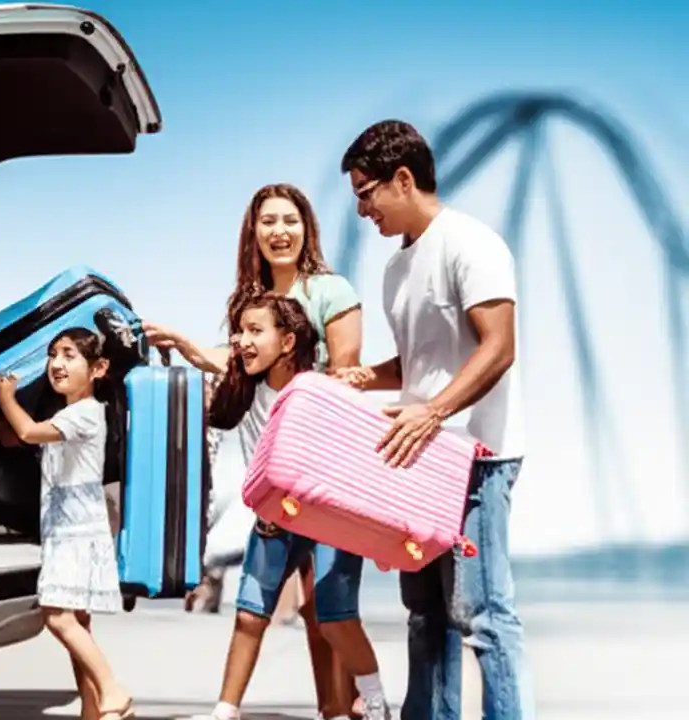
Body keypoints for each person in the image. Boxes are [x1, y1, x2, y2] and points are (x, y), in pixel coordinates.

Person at [144, 183, 366, 720]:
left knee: (325, 607)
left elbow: (344, 376)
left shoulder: (331, 291)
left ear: (306, 227)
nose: (279, 231)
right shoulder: (250, 301)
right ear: (254, 231)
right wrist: (188, 347)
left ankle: (339, 707)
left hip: (323, 476)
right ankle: (318, 707)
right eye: (268, 221)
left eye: (290, 220)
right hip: (273, 484)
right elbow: (239, 361)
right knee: (278, 604)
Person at [336, 119, 533, 720]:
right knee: (424, 613)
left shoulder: (471, 243)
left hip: (478, 457)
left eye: (367, 193)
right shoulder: (397, 268)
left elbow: (498, 347)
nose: (363, 209)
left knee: (483, 614)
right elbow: (422, 360)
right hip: (418, 460)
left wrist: (436, 412)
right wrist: (368, 377)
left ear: (403, 178)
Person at [193, 293, 391, 720]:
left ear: (287, 342)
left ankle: (371, 701)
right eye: (239, 330)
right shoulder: (242, 391)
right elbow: (203, 366)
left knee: (335, 617)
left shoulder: (320, 389)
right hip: (273, 521)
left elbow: (356, 445)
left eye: (254, 330)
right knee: (249, 614)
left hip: (329, 520)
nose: (240, 340)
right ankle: (225, 711)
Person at [0, 328, 134, 720]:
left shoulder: (85, 413)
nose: (56, 364)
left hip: (75, 530)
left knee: (57, 615)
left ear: (98, 368)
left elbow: (28, 432)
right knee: (78, 623)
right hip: (69, 528)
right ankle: (94, 709)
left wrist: (6, 398)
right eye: (53, 355)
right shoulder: (70, 414)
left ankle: (112, 690)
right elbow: (16, 436)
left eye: (69, 355)